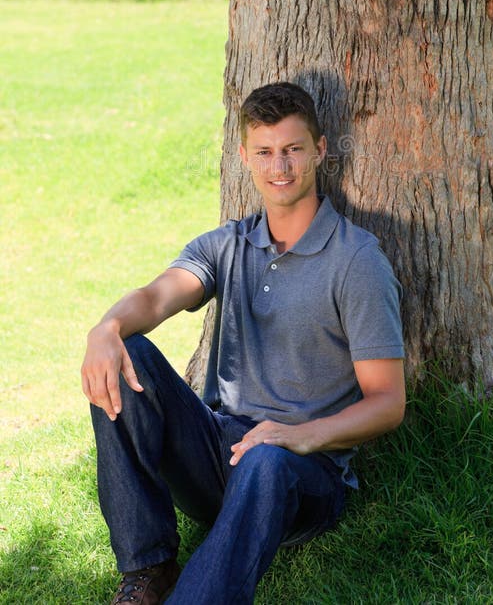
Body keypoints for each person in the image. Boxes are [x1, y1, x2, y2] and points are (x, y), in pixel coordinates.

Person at [81, 82, 406, 605]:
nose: (280, 166)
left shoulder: (356, 261)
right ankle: (148, 570)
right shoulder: (228, 244)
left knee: (267, 459)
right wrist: (107, 329)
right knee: (129, 354)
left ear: (320, 151)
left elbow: (388, 402)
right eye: (265, 152)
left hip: (305, 473)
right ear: (245, 158)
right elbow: (157, 296)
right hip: (222, 449)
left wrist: (304, 436)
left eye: (293, 149)